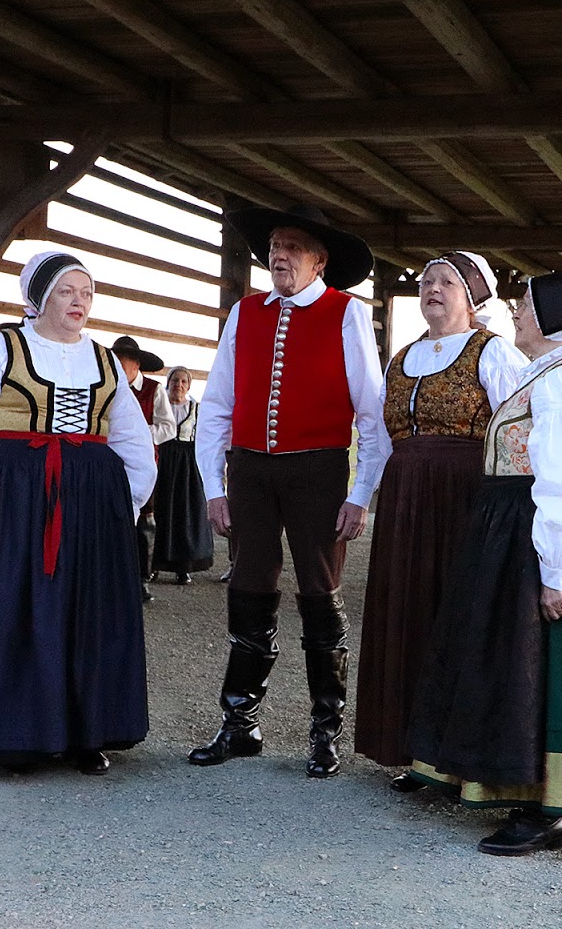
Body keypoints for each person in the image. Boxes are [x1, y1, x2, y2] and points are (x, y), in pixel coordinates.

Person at [407, 271, 562, 856]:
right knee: (529, 664)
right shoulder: (553, 369)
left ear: (556, 319)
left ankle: (547, 809)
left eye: (528, 307)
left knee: (538, 667)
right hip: (520, 529)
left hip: (540, 534)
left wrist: (556, 570)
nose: (516, 313)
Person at [0, 251, 156, 776]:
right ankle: (10, 736)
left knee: (86, 613)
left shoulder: (105, 359)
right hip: (15, 500)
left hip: (92, 505)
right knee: (14, 604)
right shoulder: (1, 350)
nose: (80, 302)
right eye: (68, 291)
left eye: (87, 293)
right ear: (40, 295)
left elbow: (131, 437)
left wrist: (128, 504)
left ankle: (86, 733)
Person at [189, 204, 388, 779]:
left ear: (320, 260)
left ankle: (325, 732)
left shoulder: (346, 313)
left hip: (318, 471)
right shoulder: (245, 313)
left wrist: (361, 491)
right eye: (276, 244)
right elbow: (218, 405)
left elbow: (370, 412)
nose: (280, 254)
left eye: (294, 246)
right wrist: (212, 485)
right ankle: (239, 723)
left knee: (321, 593)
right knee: (249, 589)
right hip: (250, 470)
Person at [356, 251, 526, 786]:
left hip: (464, 500)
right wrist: (360, 497)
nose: (433, 289)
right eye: (428, 281)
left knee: (454, 616)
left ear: (474, 296)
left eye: (447, 282)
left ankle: (458, 757)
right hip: (405, 502)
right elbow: (379, 438)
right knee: (407, 613)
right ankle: (416, 751)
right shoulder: (400, 357)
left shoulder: (494, 353)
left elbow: (519, 432)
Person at [114, 335, 175, 603]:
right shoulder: (106, 387)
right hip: (110, 464)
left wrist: (138, 434)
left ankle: (141, 579)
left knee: (144, 521)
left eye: (121, 359)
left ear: (135, 363)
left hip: (143, 463)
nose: (116, 364)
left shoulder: (154, 390)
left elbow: (168, 427)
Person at [152, 367, 214, 585]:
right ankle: (154, 564)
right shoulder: (160, 406)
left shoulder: (196, 409)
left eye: (183, 382)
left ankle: (183, 566)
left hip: (187, 465)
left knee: (185, 514)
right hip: (163, 460)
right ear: (168, 383)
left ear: (188, 386)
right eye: (175, 380)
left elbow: (206, 436)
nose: (178, 385)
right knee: (159, 511)